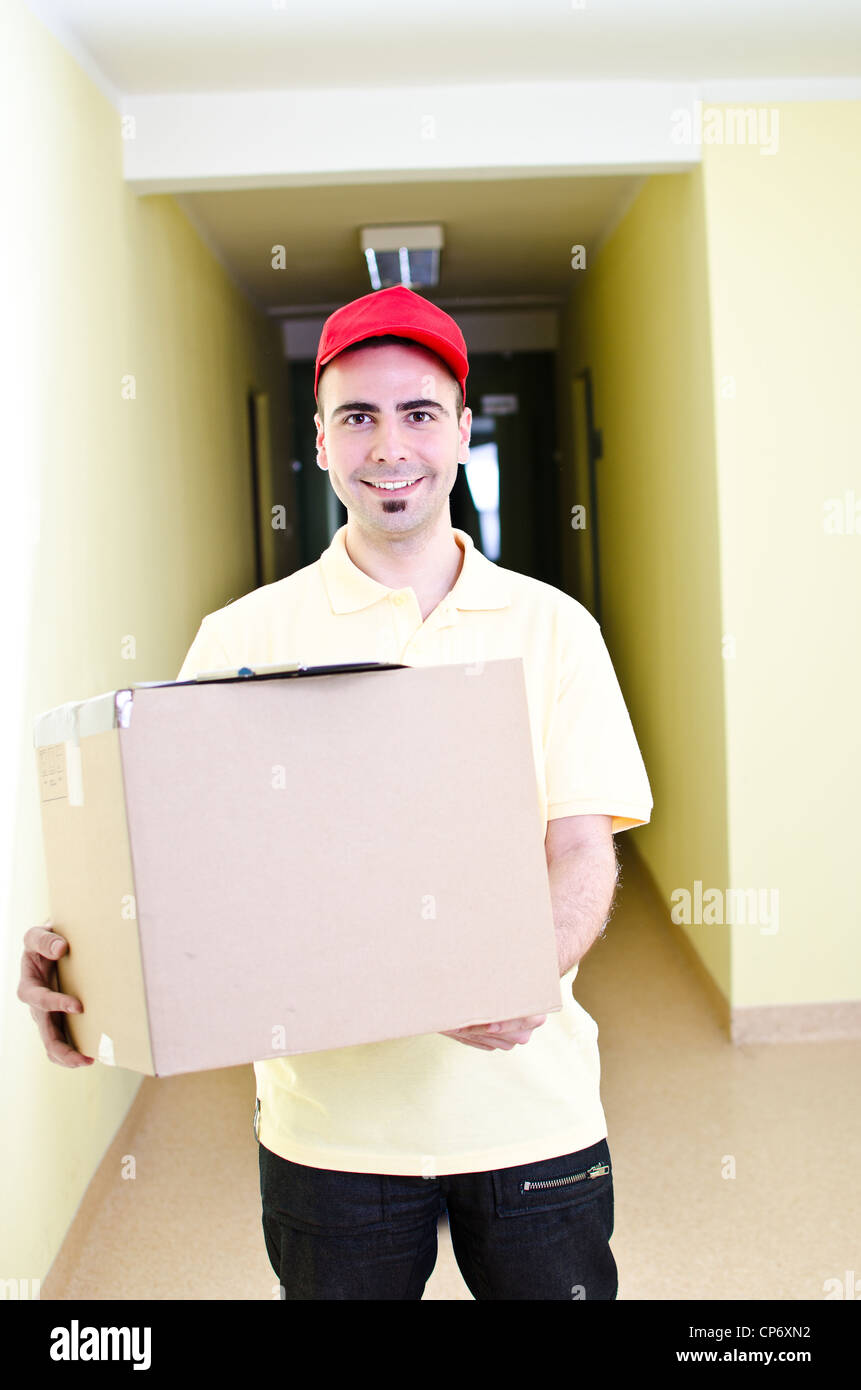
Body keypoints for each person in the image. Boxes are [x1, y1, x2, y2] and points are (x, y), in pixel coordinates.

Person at [20, 285, 652, 1301]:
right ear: (320, 441)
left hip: (530, 1114)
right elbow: (187, 864)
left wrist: (524, 968)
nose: (389, 444)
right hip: (331, 1141)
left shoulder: (552, 630)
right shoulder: (244, 641)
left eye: (418, 413)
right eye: (357, 416)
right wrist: (88, 963)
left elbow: (580, 848)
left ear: (459, 427)